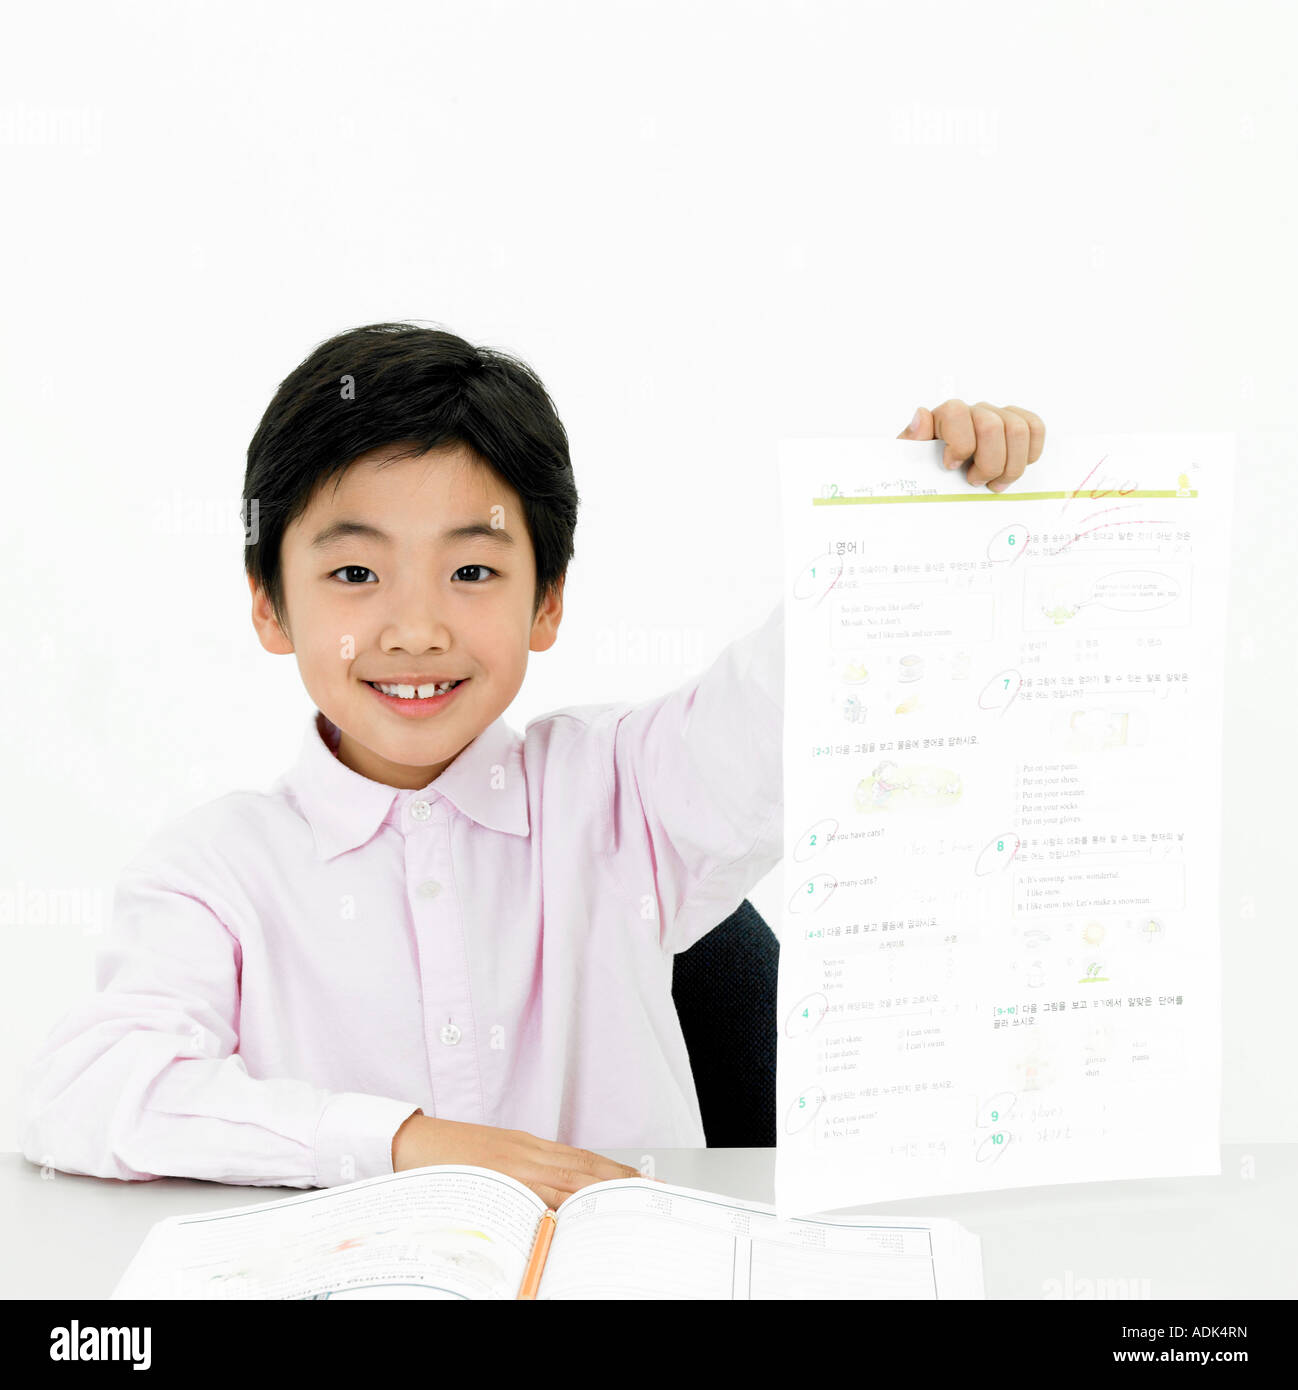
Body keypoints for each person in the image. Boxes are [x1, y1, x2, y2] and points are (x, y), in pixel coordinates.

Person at [18, 321, 1044, 1211]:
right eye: (353, 572)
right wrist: (407, 1142)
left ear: (546, 600)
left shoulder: (624, 794)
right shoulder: (215, 871)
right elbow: (85, 1090)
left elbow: (790, 700)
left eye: (472, 570)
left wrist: (904, 514)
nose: (414, 628)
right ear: (267, 603)